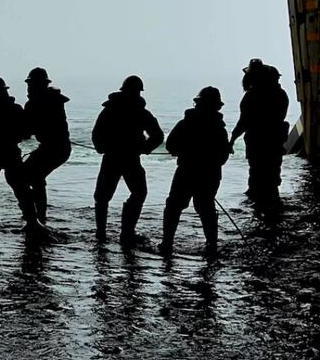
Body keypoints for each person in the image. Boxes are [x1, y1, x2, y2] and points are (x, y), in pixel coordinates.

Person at [91, 75, 164, 243]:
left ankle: (105, 233)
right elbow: (157, 136)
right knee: (135, 193)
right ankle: (124, 232)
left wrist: (101, 147)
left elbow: (97, 133)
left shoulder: (111, 110)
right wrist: (145, 148)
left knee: (106, 197)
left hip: (115, 158)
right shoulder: (140, 112)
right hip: (126, 158)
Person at [159, 86, 231, 254]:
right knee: (206, 208)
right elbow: (223, 157)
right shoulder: (219, 129)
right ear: (217, 106)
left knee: (174, 206)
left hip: (186, 171)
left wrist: (184, 152)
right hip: (210, 174)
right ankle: (211, 245)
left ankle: (167, 243)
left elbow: (170, 145)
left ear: (197, 103)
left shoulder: (185, 124)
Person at [0, 76, 42, 231]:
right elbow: (26, 133)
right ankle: (32, 221)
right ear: (5, 91)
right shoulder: (16, 109)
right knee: (21, 187)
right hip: (11, 151)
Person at [229, 59, 289, 203]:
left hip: (257, 143)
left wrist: (231, 140)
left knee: (257, 176)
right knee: (271, 178)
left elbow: (243, 122)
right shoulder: (280, 94)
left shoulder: (252, 96)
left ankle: (260, 207)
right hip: (274, 143)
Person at [22, 67, 71, 225]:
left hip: (53, 148)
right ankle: (37, 214)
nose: (29, 88)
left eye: (31, 85)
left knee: (27, 177)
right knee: (33, 177)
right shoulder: (54, 99)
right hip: (59, 147)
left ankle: (36, 215)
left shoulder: (34, 104)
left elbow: (26, 131)